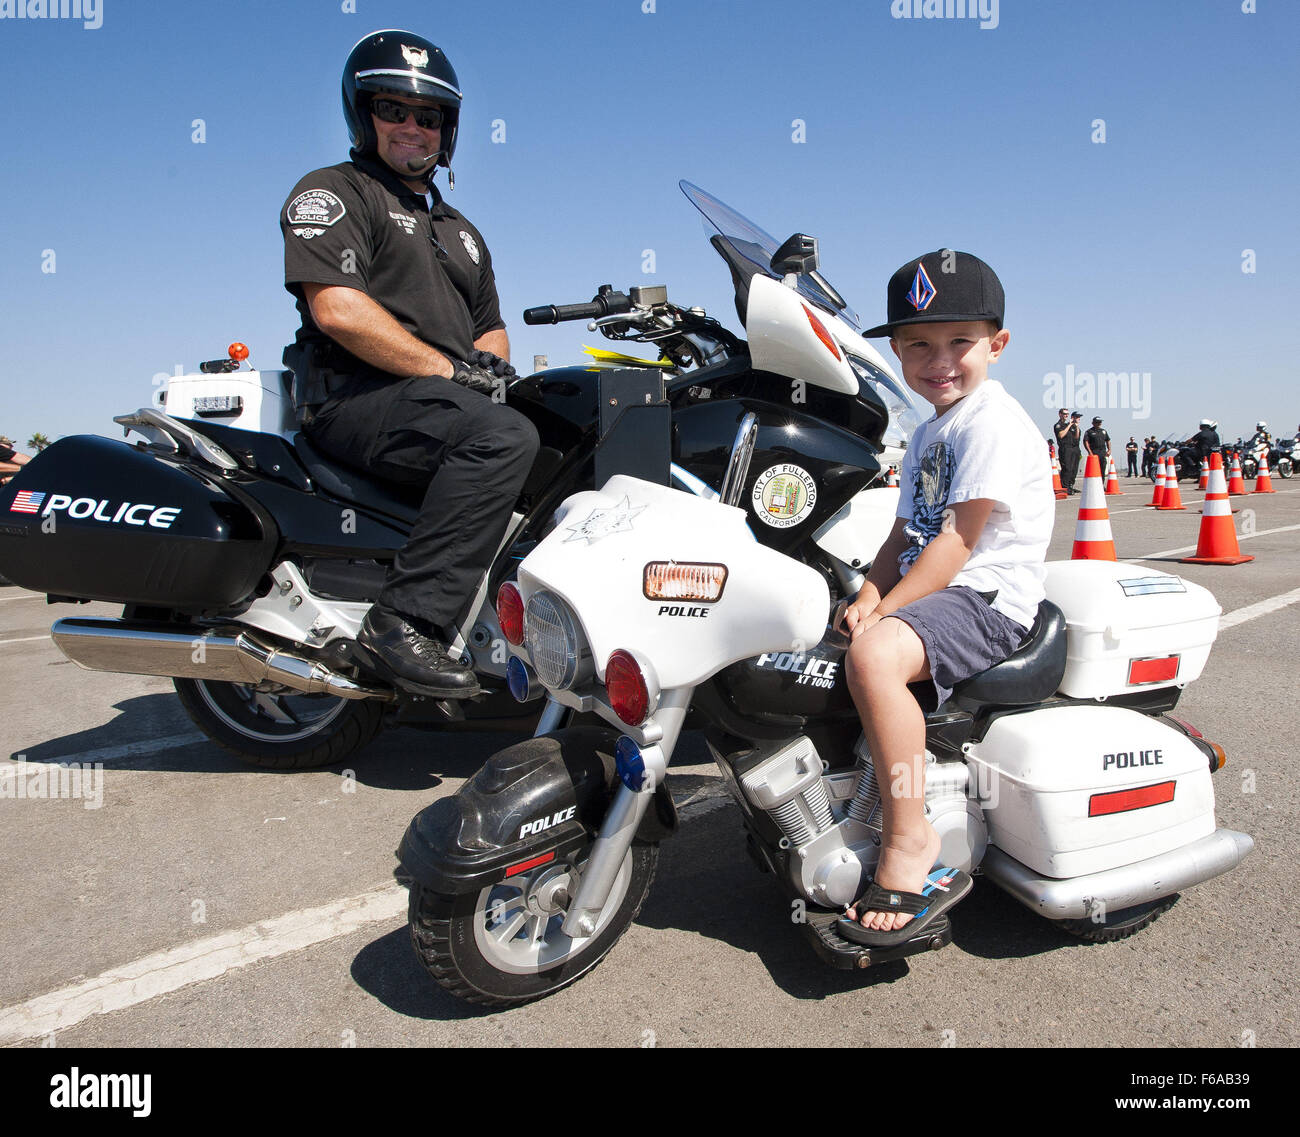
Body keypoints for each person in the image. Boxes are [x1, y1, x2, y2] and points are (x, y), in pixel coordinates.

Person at [280, 30, 539, 699]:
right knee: (500, 435)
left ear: (446, 132)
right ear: (362, 114)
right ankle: (402, 624)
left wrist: (486, 373)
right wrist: (448, 372)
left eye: (428, 117)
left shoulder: (461, 232)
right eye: (393, 109)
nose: (411, 127)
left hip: (436, 403)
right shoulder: (337, 192)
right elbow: (337, 307)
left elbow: (491, 331)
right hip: (356, 398)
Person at [835, 251, 1053, 945]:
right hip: (944, 590)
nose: (940, 360)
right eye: (918, 345)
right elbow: (905, 530)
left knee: (872, 657)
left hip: (988, 597)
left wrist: (888, 611)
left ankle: (909, 836)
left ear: (998, 344)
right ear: (895, 352)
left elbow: (957, 542)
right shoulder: (930, 430)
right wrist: (871, 589)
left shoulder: (989, 421)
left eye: (960, 341)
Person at [1051, 408, 1079, 493]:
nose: (1066, 415)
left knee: (1073, 468)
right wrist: (1069, 425)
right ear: (1060, 414)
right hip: (1064, 448)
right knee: (1066, 468)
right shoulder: (1058, 425)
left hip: (1072, 448)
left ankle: (1070, 485)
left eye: (1067, 414)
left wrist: (1076, 427)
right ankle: (1065, 487)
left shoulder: (1068, 425)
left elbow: (1076, 437)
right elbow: (1061, 435)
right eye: (1064, 414)